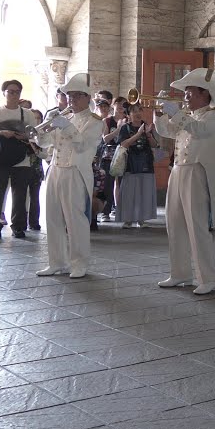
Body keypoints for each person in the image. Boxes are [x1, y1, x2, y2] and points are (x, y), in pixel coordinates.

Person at [154, 69, 215, 294]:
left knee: (197, 226)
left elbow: (199, 131)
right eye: (185, 92)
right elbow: (166, 131)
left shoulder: (214, 115)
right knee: (174, 223)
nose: (185, 96)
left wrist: (176, 113)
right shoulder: (189, 115)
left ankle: (208, 278)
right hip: (178, 170)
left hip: (197, 172)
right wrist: (160, 113)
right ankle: (180, 273)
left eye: (190, 92)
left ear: (205, 93)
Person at [34, 74, 105, 278]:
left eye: (75, 96)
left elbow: (82, 145)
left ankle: (79, 262)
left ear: (86, 97)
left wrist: (66, 125)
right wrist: (43, 130)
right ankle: (57, 262)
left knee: (76, 219)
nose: (70, 100)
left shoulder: (94, 121)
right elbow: (46, 144)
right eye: (69, 96)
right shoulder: (66, 118)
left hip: (75, 171)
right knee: (52, 217)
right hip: (55, 169)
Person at [0, 80, 34, 240]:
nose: (14, 94)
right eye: (10, 91)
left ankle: (18, 227)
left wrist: (22, 135)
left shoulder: (27, 114)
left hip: (21, 158)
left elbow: (34, 135)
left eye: (17, 92)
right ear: (4, 93)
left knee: (20, 195)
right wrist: (2, 132)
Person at [114, 104, 159, 227]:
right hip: (130, 164)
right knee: (129, 192)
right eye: (134, 111)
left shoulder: (146, 126)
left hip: (146, 162)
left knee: (144, 191)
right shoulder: (125, 128)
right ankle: (128, 220)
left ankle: (141, 219)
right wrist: (138, 134)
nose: (138, 113)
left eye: (140, 110)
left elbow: (155, 145)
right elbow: (123, 144)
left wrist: (149, 134)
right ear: (128, 115)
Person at [93, 96, 119, 225]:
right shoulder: (97, 120)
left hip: (109, 152)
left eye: (105, 106)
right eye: (100, 106)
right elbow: (104, 138)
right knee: (103, 184)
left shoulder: (107, 121)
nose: (103, 109)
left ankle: (114, 208)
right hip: (100, 154)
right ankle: (103, 211)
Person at [25, 109, 45, 231]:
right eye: (34, 118)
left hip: (36, 169)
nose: (36, 120)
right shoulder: (23, 133)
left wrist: (33, 143)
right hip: (22, 168)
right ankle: (21, 221)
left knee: (34, 196)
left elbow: (44, 154)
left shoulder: (42, 134)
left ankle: (34, 221)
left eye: (38, 118)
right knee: (22, 197)